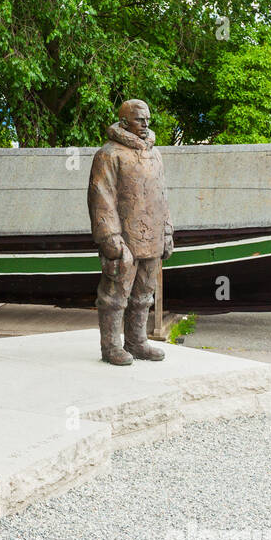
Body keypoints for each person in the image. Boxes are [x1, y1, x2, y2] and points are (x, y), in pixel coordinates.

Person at [87, 99, 173, 365]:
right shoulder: (109, 154)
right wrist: (111, 239)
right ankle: (111, 346)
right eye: (139, 119)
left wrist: (167, 232)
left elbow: (162, 195)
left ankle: (136, 341)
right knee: (115, 295)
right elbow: (101, 198)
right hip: (124, 239)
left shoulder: (155, 154)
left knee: (144, 294)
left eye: (147, 118)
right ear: (124, 122)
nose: (145, 124)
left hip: (152, 238)